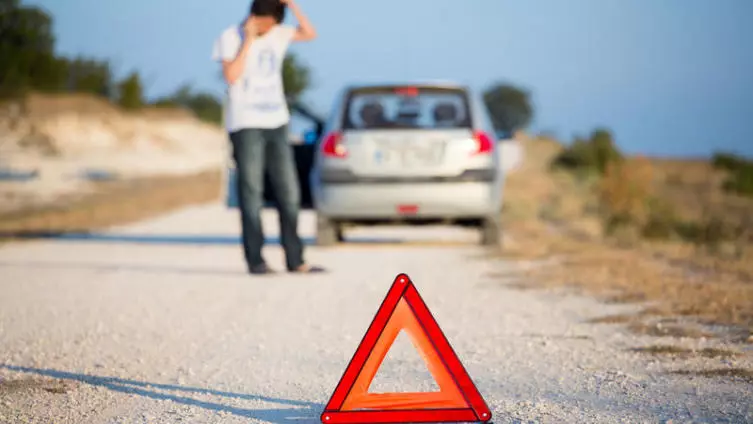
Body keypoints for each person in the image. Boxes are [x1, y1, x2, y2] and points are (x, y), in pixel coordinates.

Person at [212, 0, 325, 275]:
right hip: (245, 124)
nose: (270, 29)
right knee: (251, 192)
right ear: (254, 17)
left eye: (274, 24)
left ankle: (296, 259)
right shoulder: (230, 36)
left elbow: (310, 33)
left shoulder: (279, 33)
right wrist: (248, 40)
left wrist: (292, 5)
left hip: (277, 121)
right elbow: (231, 75)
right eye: (266, 24)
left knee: (289, 191)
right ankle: (256, 260)